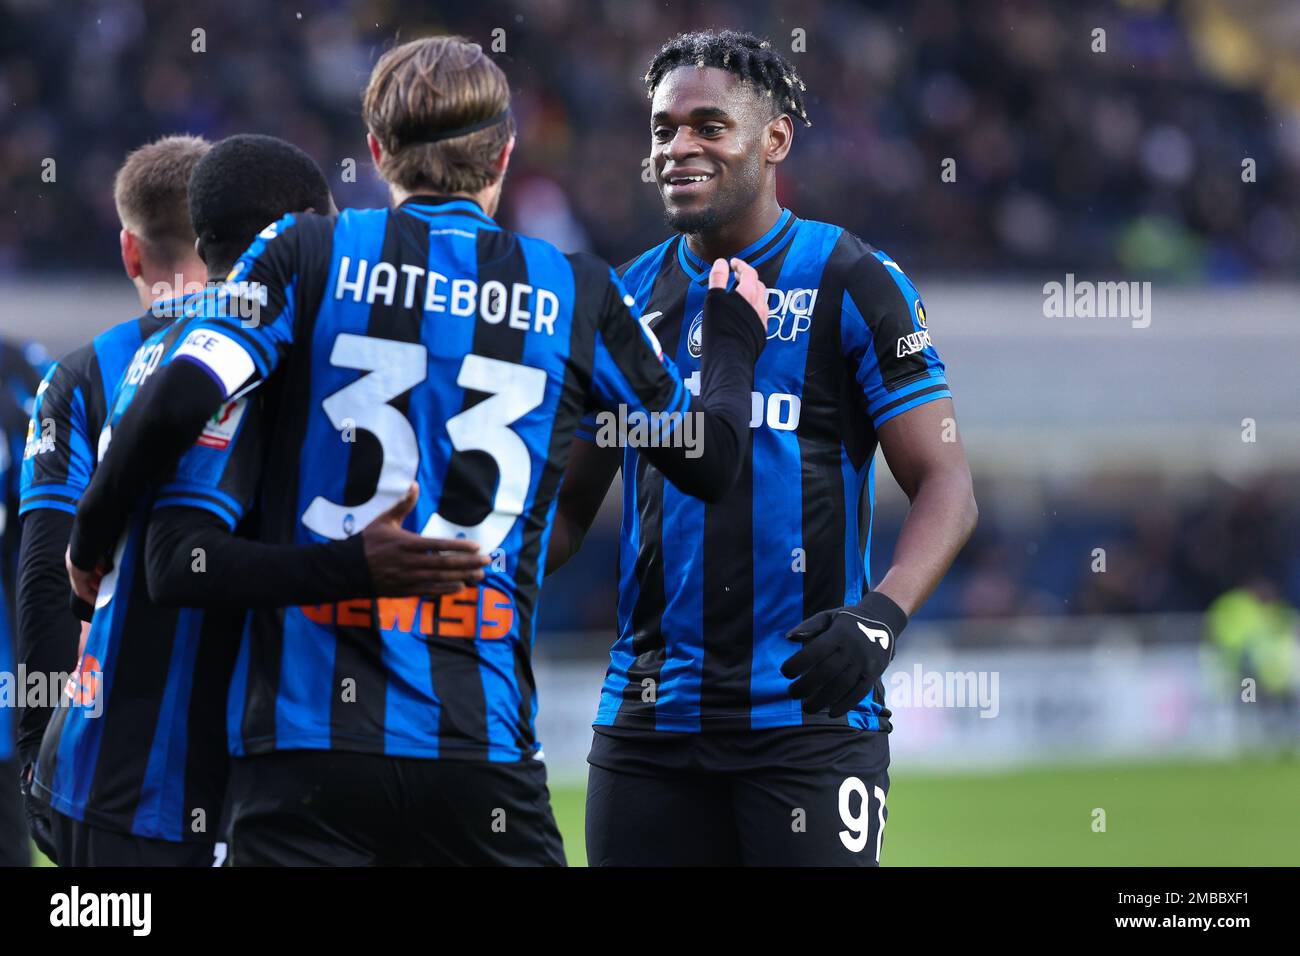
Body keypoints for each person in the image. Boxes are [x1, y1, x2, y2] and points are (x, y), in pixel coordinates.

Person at [66, 35, 769, 866]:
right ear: (506, 151)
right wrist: (730, 334)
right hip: (478, 750)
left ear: (375, 151)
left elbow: (177, 397)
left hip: (304, 748)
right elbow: (711, 460)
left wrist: (90, 538)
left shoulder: (308, 254)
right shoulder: (576, 289)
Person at [547, 30, 978, 866]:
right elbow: (565, 507)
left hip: (809, 721)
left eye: (710, 125)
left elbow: (946, 482)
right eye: (664, 128)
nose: (679, 148)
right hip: (646, 725)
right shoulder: (623, 297)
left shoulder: (854, 279)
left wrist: (880, 619)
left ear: (775, 138)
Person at [15, 135, 211, 862]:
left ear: (131, 253)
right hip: (260, 754)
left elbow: (44, 574)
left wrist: (38, 748)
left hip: (113, 774)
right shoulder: (282, 349)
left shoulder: (82, 375)